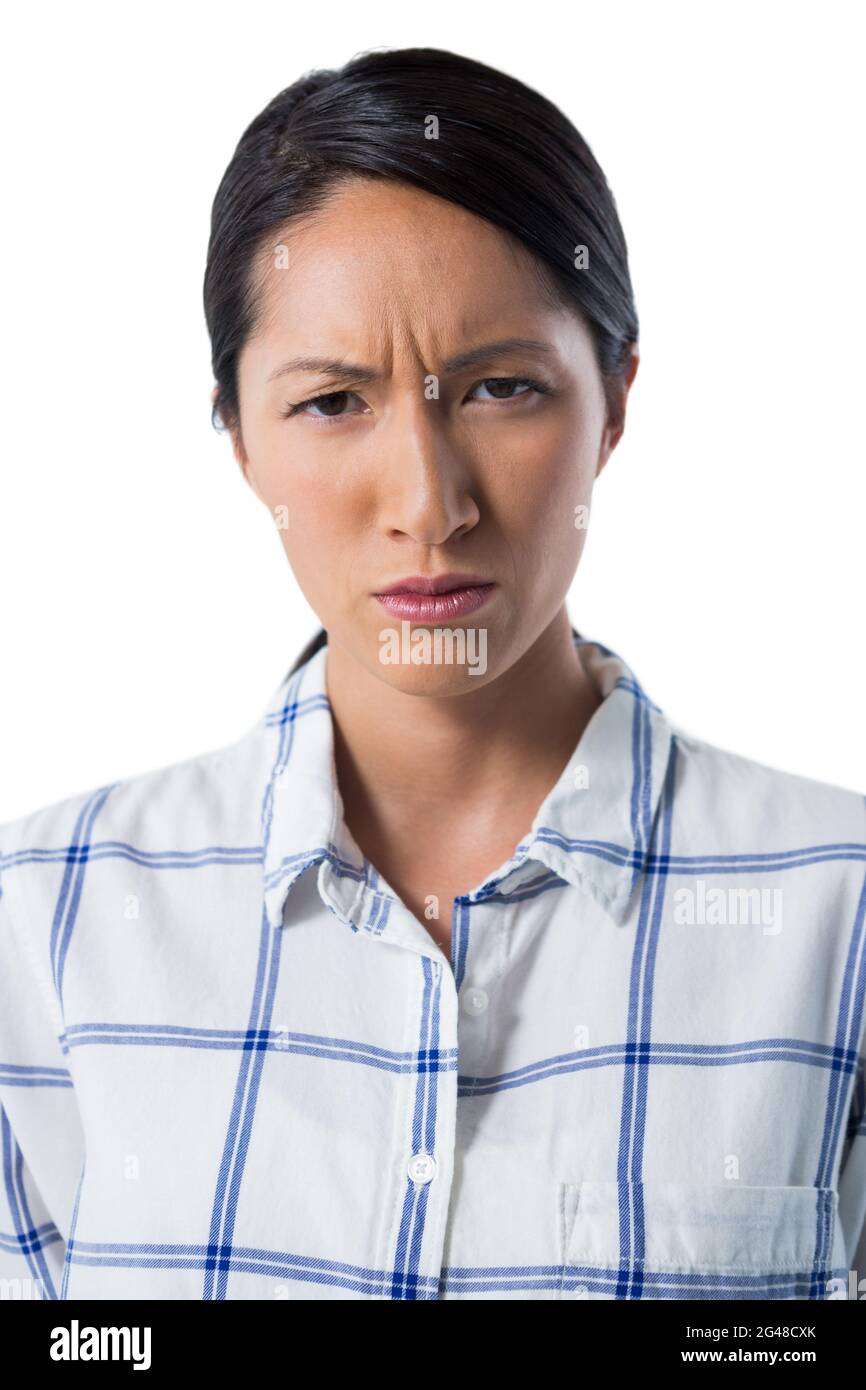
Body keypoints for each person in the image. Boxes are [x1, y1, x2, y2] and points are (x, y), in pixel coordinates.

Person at [1, 46, 864, 1302]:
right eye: (331, 402)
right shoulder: (42, 924)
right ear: (236, 434)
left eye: (502, 388)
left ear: (612, 404)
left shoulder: (839, 915)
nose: (428, 503)